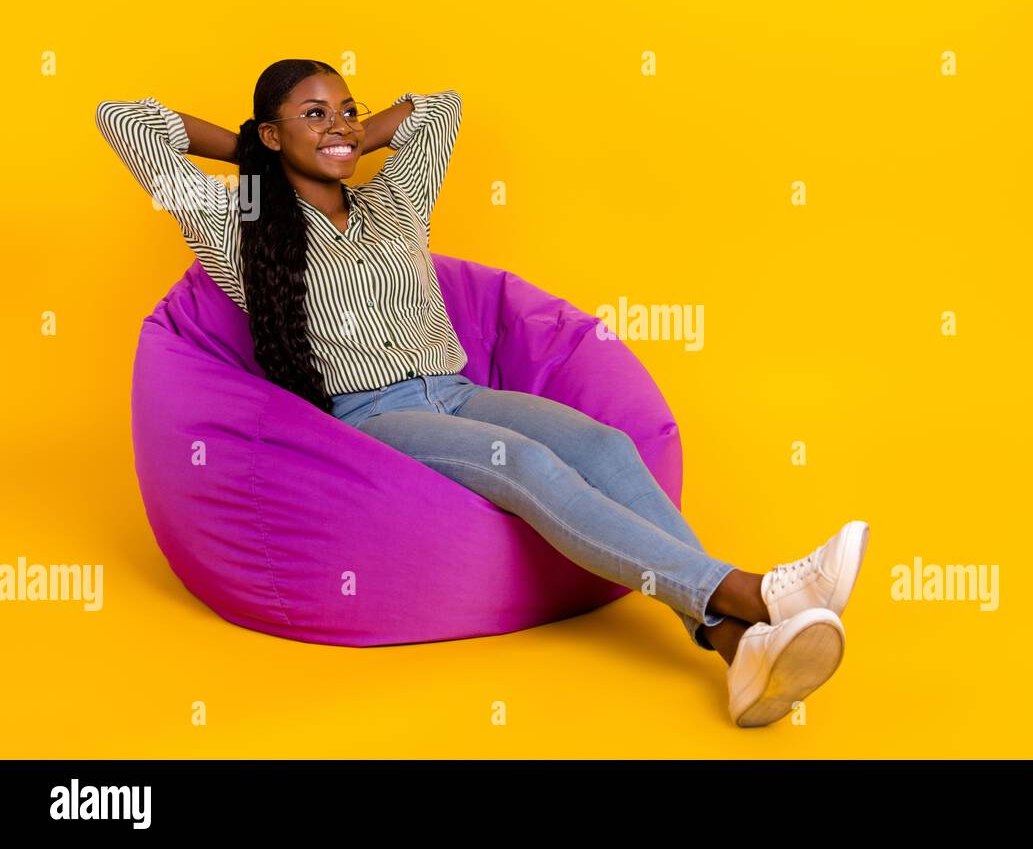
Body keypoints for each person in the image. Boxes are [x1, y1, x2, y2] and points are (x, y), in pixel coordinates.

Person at [95, 57, 870, 727]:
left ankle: (734, 645)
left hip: (459, 394)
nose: (342, 124)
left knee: (605, 444)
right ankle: (759, 592)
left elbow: (442, 109)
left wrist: (343, 141)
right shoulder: (243, 220)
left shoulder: (394, 203)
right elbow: (125, 122)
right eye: (314, 113)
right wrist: (262, 159)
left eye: (349, 110)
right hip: (377, 416)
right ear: (272, 132)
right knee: (529, 469)